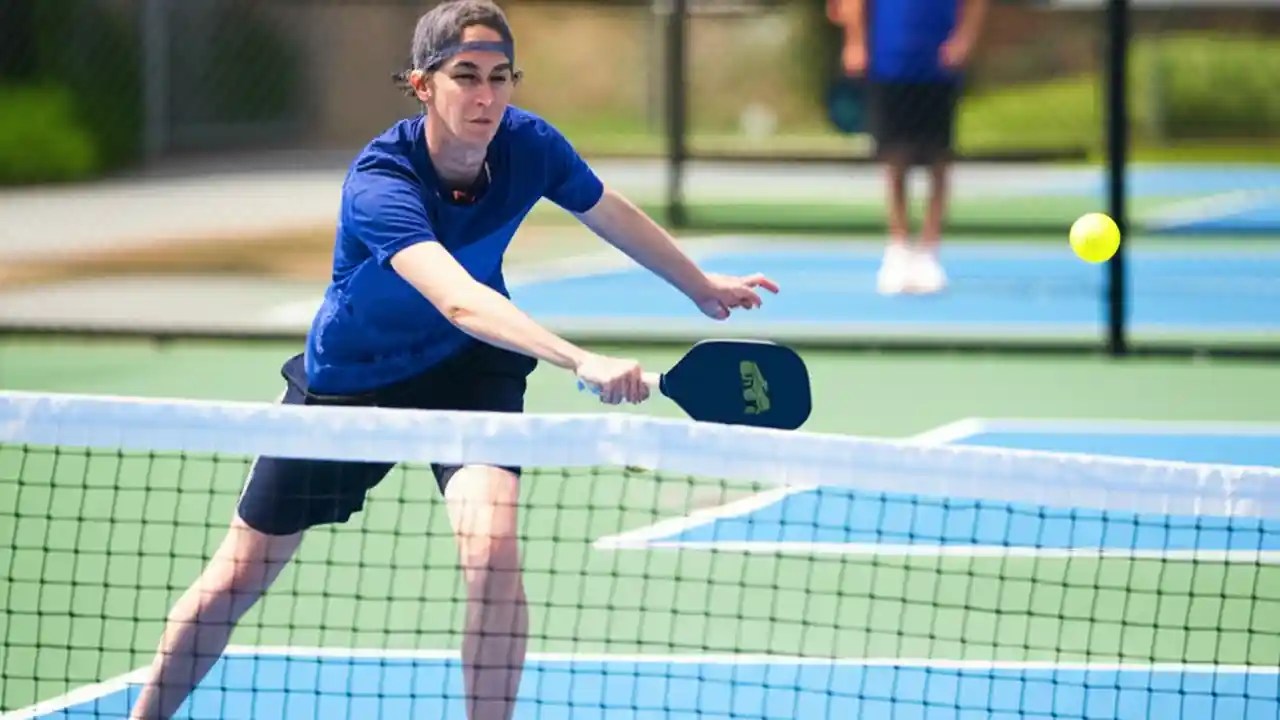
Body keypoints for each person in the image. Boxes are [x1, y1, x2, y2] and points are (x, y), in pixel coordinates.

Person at [127, 2, 777, 718]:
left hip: (468, 369)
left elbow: (606, 209)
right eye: (465, 75)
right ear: (422, 85)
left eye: (501, 77)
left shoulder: (529, 146)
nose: (486, 95)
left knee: (493, 551)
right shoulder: (381, 181)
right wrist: (577, 360)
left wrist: (700, 285)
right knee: (238, 576)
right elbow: (460, 299)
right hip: (350, 383)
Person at [827, 0, 988, 295]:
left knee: (938, 159)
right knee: (893, 157)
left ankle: (929, 252)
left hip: (939, 63)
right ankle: (898, 248)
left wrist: (964, 38)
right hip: (889, 59)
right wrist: (855, 41)